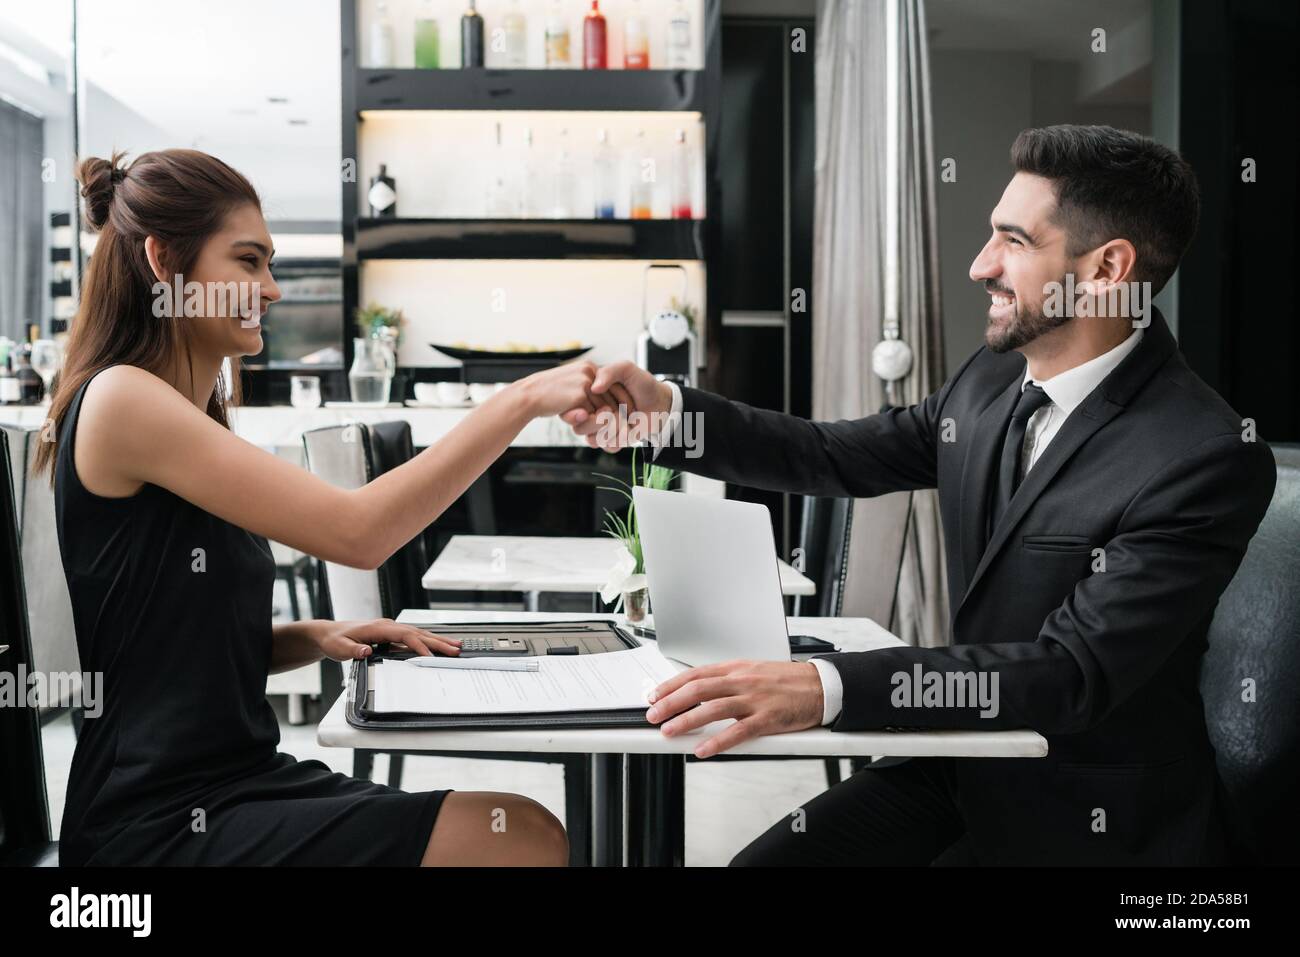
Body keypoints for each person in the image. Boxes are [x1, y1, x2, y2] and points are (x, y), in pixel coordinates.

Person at [564, 125, 1277, 865]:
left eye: (1014, 241)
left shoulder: (1202, 454)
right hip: (960, 765)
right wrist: (669, 413)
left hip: (1090, 817)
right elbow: (837, 454)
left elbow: (1070, 671)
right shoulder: (992, 378)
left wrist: (825, 685)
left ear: (1105, 268)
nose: (980, 265)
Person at [36, 148, 607, 866]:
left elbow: (173, 642)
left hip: (236, 781)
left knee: (521, 829)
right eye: (248, 261)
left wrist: (314, 635)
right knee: (515, 836)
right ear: (163, 262)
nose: (271, 289)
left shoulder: (187, 419)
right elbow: (358, 532)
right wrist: (521, 398)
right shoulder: (123, 399)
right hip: (152, 821)